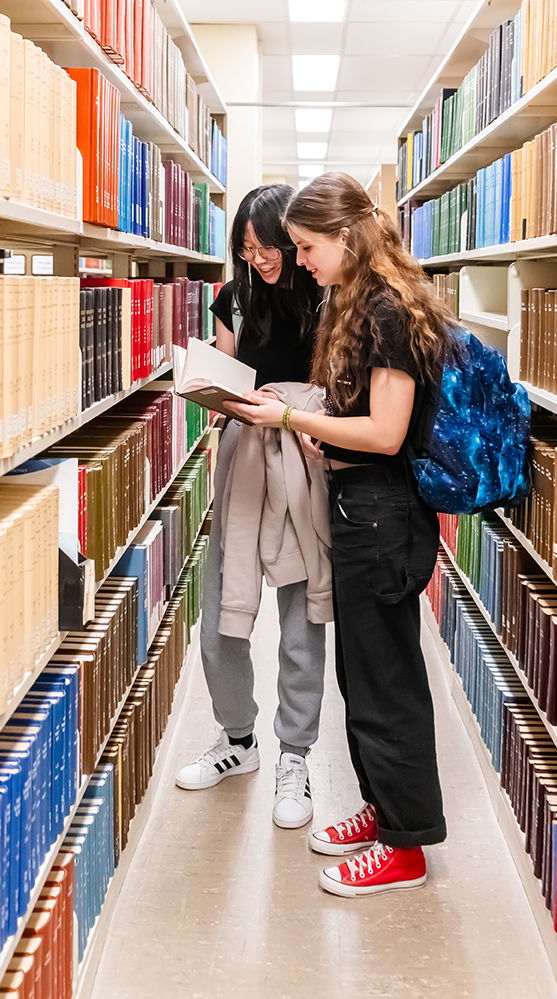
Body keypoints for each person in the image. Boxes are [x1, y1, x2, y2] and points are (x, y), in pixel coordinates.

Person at [226, 172, 458, 897]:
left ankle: (406, 848)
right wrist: (327, 437)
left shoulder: (388, 308)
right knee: (360, 677)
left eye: (305, 246)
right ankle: (381, 809)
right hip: (360, 507)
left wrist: (290, 420)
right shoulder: (362, 302)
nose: (299, 262)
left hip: (383, 521)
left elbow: (387, 434)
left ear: (346, 237)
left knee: (387, 684)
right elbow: (365, 427)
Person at [175, 183, 328, 832]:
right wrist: (211, 387)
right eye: (246, 249)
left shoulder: (327, 294)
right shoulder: (232, 297)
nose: (260, 260)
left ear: (295, 243)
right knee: (221, 618)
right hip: (243, 454)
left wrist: (300, 414)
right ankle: (238, 741)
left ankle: (295, 757)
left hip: (304, 456)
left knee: (300, 623)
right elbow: (229, 372)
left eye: (269, 248)